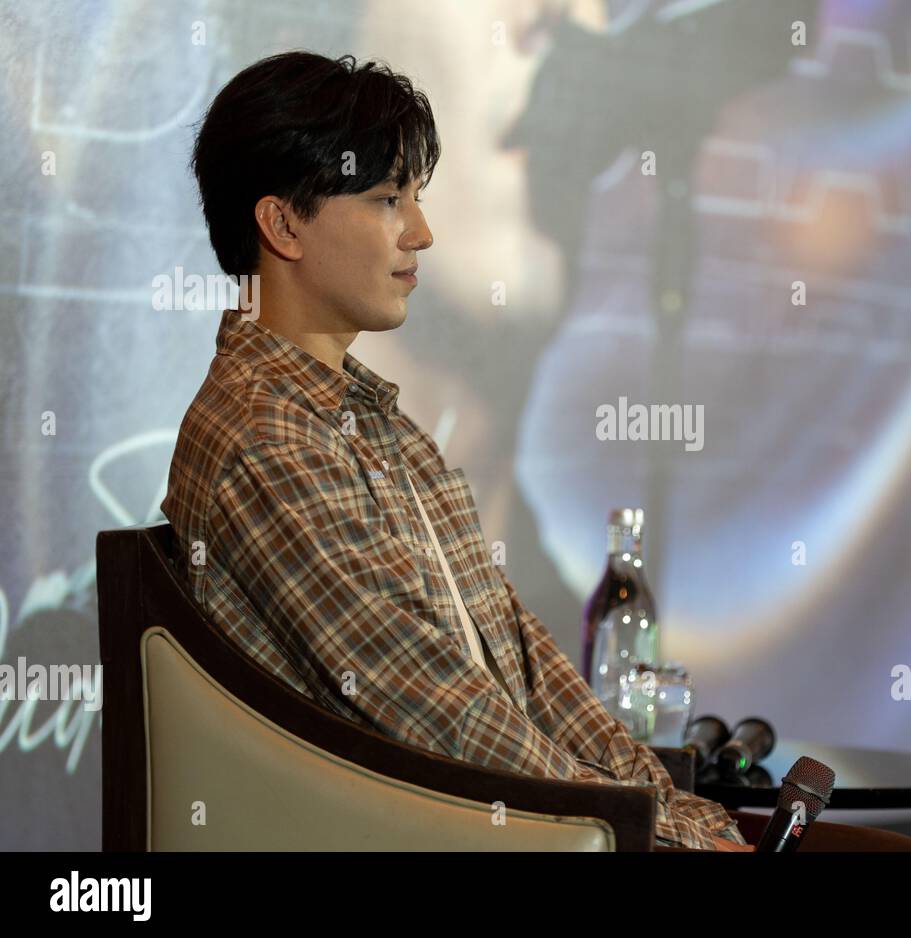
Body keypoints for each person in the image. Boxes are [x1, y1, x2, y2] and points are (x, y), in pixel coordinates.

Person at [161, 50, 749, 851]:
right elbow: (438, 710)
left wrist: (672, 810)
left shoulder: (376, 422)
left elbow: (521, 662)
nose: (422, 232)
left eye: (415, 197)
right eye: (385, 199)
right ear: (283, 224)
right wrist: (653, 830)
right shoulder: (265, 436)